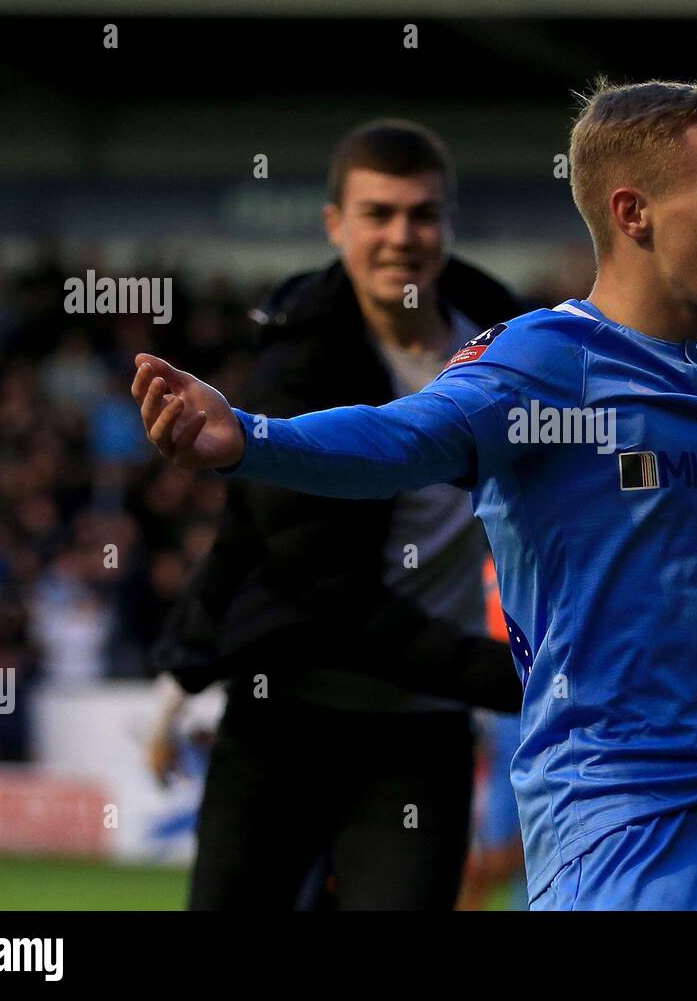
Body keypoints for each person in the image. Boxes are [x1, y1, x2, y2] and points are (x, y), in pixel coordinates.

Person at [131, 63, 697, 910]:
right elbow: (403, 437)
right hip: (630, 833)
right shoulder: (544, 362)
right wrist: (247, 436)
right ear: (633, 212)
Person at [148, 119, 523, 910]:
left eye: (423, 213)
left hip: (422, 736)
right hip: (282, 713)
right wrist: (182, 679)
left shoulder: (515, 346)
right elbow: (294, 563)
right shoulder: (296, 364)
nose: (402, 236)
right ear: (334, 225)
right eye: (378, 214)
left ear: (448, 223)